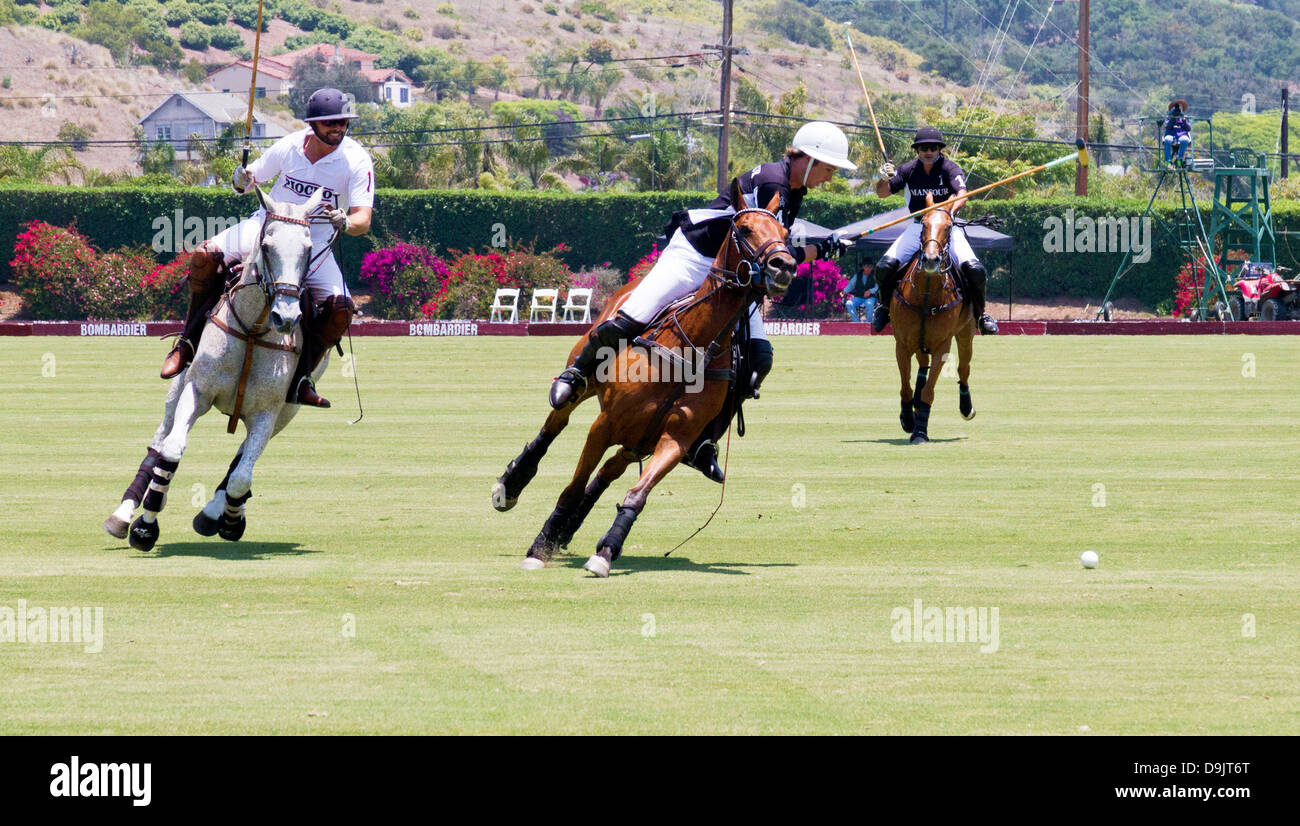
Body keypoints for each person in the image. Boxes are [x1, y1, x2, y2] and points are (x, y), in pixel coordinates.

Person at [548, 121, 857, 481]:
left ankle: (701, 443)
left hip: (731, 275)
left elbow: (775, 254)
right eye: (829, 169)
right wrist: (818, 249)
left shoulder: (792, 189)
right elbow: (762, 251)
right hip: (694, 256)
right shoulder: (773, 183)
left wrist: (823, 248)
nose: (830, 178)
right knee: (630, 318)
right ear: (809, 159)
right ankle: (577, 373)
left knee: (758, 359)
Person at [160, 87, 375, 408]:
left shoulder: (356, 159)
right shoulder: (289, 146)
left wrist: (344, 221)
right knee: (204, 256)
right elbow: (247, 182)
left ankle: (302, 377)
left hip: (313, 241)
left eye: (343, 122)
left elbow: (363, 220)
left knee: (342, 309)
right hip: (267, 227)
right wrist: (241, 178)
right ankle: (187, 342)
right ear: (313, 125)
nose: (338, 128)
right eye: (331, 122)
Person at [870, 126, 997, 336]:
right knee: (884, 266)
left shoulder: (949, 168)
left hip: (946, 228)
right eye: (923, 148)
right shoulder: (908, 170)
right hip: (918, 227)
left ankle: (982, 315)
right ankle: (884, 308)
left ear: (939, 149)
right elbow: (882, 194)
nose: (928, 152)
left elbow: (962, 194)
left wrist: (946, 214)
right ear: (917, 150)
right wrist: (883, 178)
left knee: (975, 270)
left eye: (932, 148)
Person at [843, 259, 878, 323]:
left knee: (869, 303)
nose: (868, 268)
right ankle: (857, 323)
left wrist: (870, 291)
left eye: (870, 266)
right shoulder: (857, 275)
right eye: (866, 266)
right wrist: (844, 291)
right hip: (859, 297)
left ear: (872, 267)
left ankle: (868, 323)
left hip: (871, 297)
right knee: (849, 303)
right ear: (863, 267)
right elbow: (851, 285)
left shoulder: (875, 276)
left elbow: (877, 287)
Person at [1162, 99, 1192, 168]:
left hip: (1181, 134)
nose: (1177, 111)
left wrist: (1184, 121)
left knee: (1185, 140)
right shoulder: (1169, 117)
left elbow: (1188, 128)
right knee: (1167, 140)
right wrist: (1172, 119)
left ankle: (1179, 158)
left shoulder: (1183, 117)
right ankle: (1168, 161)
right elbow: (1167, 127)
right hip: (1171, 134)